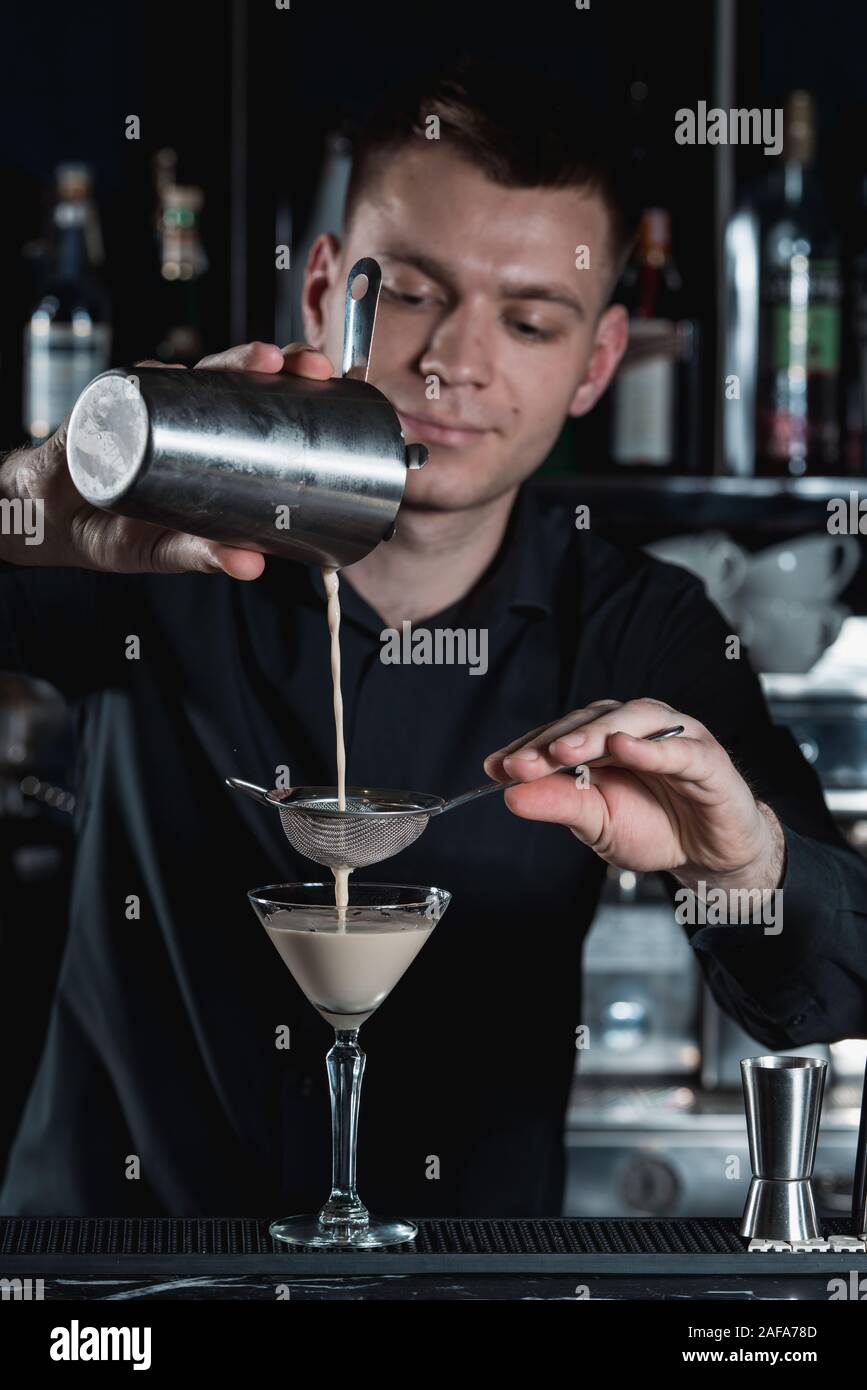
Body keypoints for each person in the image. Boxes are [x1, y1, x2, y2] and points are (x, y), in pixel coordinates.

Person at [1, 61, 865, 1220]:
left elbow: (817, 988)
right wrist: (44, 497)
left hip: (467, 1283)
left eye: (527, 318)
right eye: (407, 292)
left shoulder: (639, 629)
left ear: (596, 364)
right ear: (319, 296)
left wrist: (740, 859)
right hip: (117, 1274)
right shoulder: (154, 554)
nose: (455, 359)